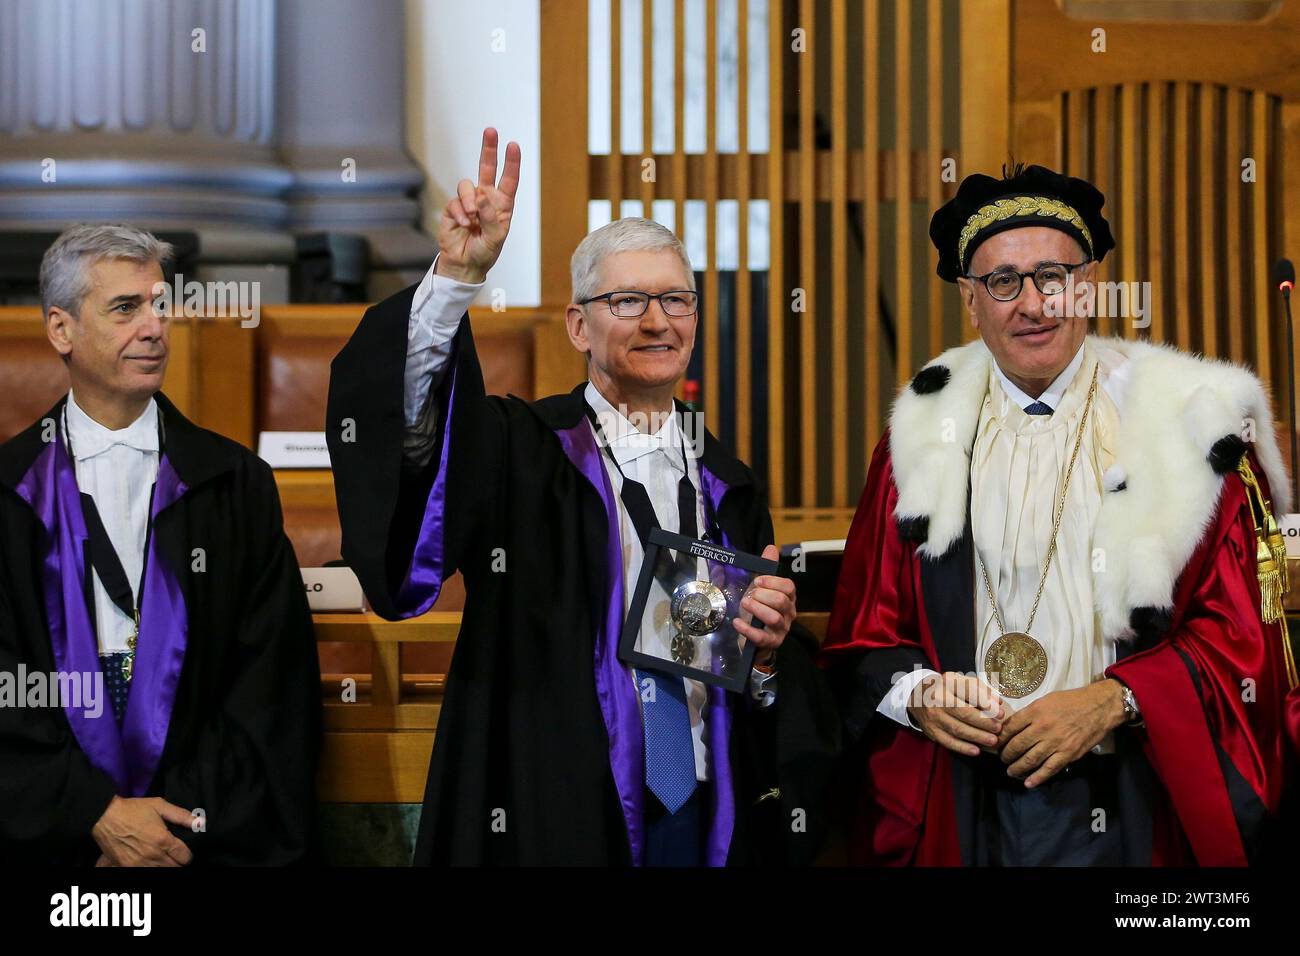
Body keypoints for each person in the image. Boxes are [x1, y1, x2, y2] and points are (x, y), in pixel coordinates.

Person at [328, 128, 837, 865]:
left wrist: (764, 655)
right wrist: (452, 284)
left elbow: (746, 671)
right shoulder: (525, 452)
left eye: (676, 300)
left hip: (706, 808)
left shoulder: (729, 484)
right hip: (556, 806)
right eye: (628, 300)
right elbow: (414, 439)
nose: (658, 320)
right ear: (578, 326)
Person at [823, 164, 1297, 865]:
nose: (1033, 304)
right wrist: (920, 695)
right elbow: (864, 633)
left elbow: (1239, 638)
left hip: (1135, 791)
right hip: (966, 794)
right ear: (970, 300)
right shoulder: (920, 438)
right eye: (1003, 282)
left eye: (1055, 276)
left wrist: (1117, 700)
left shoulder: (1191, 427)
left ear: (1092, 284)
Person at [0, 224, 321, 865]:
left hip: (199, 839)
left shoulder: (233, 483)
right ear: (61, 330)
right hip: (53, 845)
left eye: (160, 305)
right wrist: (90, 815)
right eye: (126, 308)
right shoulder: (9, 492)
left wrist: (170, 825)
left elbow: (270, 690)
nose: (154, 327)